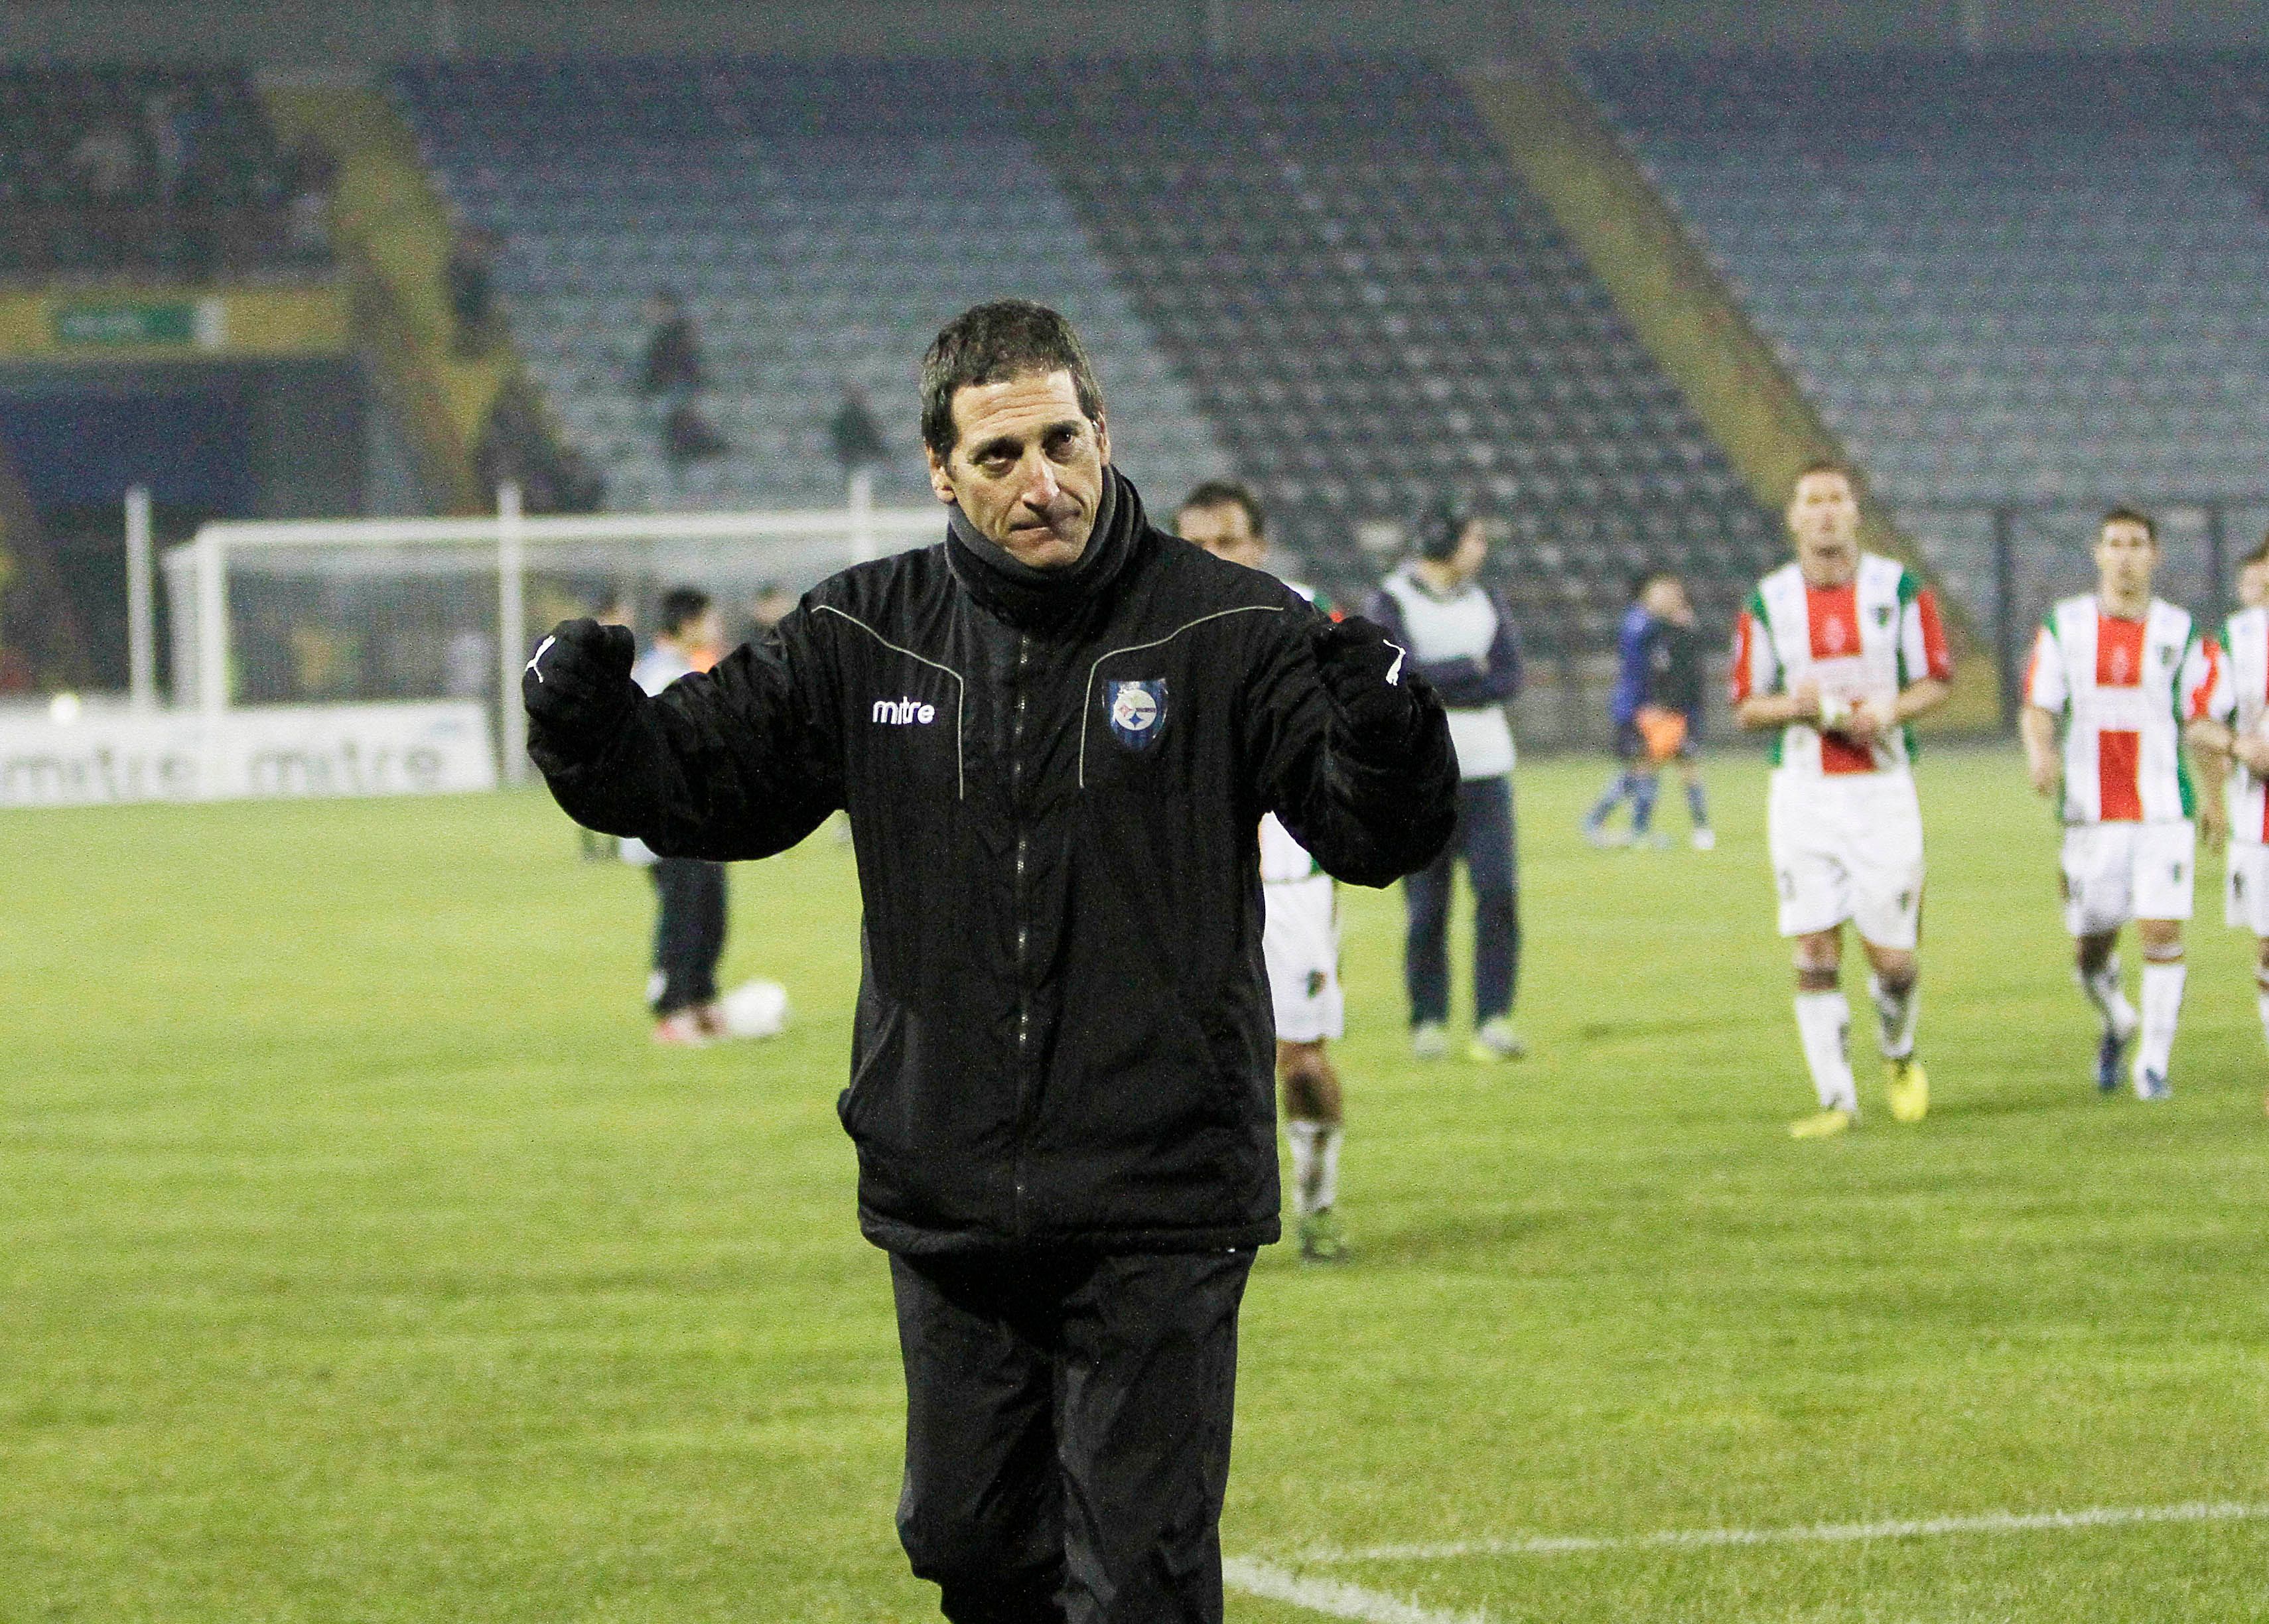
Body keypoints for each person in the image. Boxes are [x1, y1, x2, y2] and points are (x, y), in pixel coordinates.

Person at [521, 299, 1456, 1622]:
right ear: (941, 471)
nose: (1044, 482)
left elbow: (1375, 833)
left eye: (1063, 442)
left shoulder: (1229, 627)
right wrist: (589, 728)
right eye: (1001, 456)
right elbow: (701, 781)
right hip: (950, 1181)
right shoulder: (867, 632)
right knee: (968, 1544)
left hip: (1159, 1186)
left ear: (1103, 433)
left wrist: (1390, 735)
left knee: (1138, 1582)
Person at [1732, 461, 1951, 1138]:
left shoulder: (1900, 590)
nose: (1825, 511)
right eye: (1812, 501)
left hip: (1882, 791)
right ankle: (1837, 1101)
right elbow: (1746, 705)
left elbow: (1937, 680)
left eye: (1836, 499)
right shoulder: (1769, 601)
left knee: (1894, 961)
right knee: (1815, 947)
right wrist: (1794, 708)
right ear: (1794, 518)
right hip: (1804, 794)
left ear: (1855, 512)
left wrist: (1890, 711)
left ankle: (1898, 1050)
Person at [1175, 478, 1351, 1264]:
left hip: (1288, 872)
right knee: (1178, 1062)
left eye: (1228, 541)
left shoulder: (1310, 619)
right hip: (1182, 870)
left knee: (1300, 1060)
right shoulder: (1146, 624)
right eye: (1197, 544)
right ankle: (1201, 1222)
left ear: (1259, 545)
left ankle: (1318, 1200)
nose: (1214, 556)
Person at [2021, 507, 2225, 1100]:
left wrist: (2214, 798)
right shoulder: (2065, 625)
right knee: (2091, 947)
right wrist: (2041, 752)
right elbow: (2039, 705)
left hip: (2162, 810)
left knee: (2161, 931)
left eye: (2137, 544)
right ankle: (2117, 1021)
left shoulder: (2180, 632)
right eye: (2115, 544)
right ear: (2098, 554)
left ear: (2154, 556)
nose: (2126, 556)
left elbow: (2200, 721)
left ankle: (2153, 1066)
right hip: (2090, 814)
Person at [1367, 500, 1527, 1063]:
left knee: (1498, 895)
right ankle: (1429, 1021)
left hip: (1487, 770)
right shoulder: (1391, 599)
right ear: (1445, 541)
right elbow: (1397, 674)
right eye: (1474, 538)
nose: (1482, 549)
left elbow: (1510, 675)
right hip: (1421, 774)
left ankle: (1494, 1019)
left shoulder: (1488, 599)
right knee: (1427, 909)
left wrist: (1438, 680)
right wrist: (1467, 671)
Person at [617, 587, 731, 1045]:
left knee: (709, 913)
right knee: (684, 915)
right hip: (670, 824)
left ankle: (701, 1002)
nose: (717, 628)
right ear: (689, 625)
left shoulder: (676, 669)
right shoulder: (664, 675)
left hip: (696, 822)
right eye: (710, 620)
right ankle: (672, 1011)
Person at [2203, 536, 2269, 1113]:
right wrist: (2240, 746)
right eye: (2256, 585)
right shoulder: (2238, 640)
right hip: (2259, 821)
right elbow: (2199, 720)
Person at [1586, 572, 1714, 850]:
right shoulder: (1640, 622)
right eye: (1664, 592)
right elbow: (1643, 664)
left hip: (1667, 710)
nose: (1670, 598)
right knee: (1644, 768)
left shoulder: (1663, 626)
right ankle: (1613, 824)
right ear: (1647, 594)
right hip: (1639, 709)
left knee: (1653, 767)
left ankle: (1621, 826)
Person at [638, 289, 705, 401]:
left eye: (657, 307)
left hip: (675, 388)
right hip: (665, 388)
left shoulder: (678, 334)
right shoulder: (663, 334)